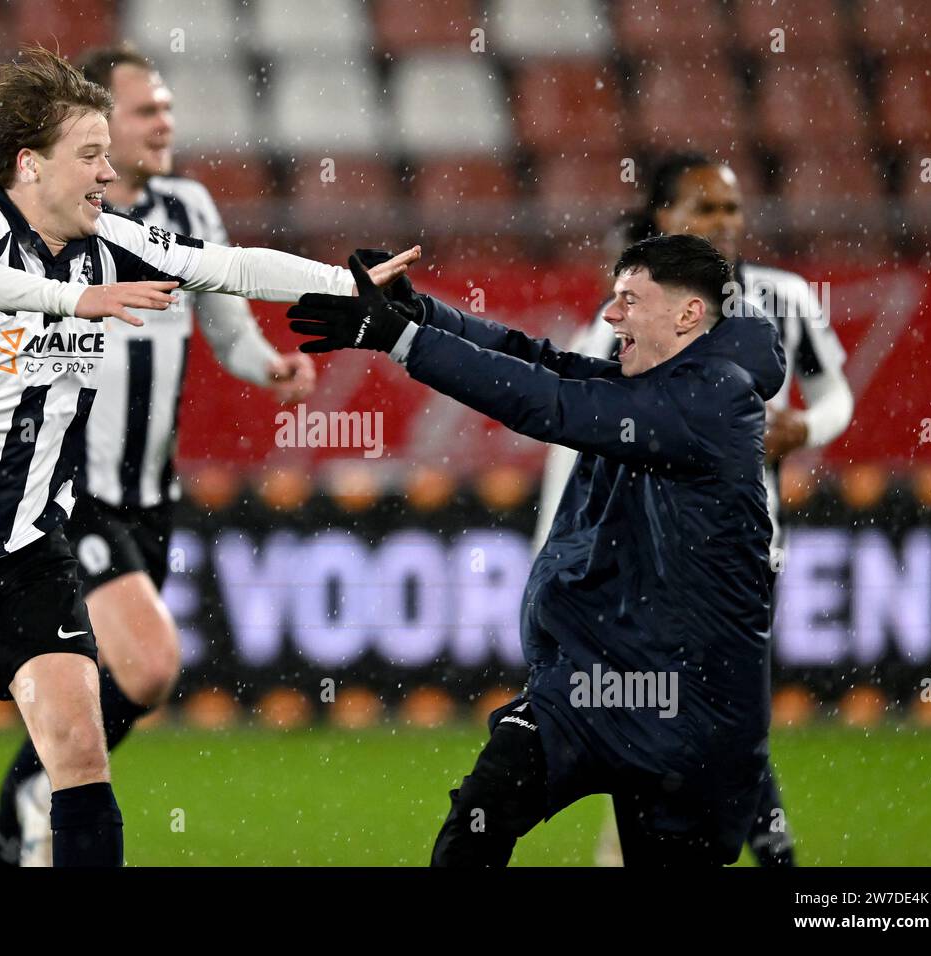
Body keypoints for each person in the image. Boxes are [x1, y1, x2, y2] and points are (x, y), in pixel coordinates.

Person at [0, 45, 418, 867]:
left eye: (110, 152)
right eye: (90, 155)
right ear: (29, 164)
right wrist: (70, 299)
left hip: (29, 548)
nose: (109, 172)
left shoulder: (111, 238)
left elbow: (228, 267)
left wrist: (340, 282)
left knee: (77, 752)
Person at [289, 235, 785, 866]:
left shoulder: (711, 399)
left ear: (688, 314)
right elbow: (538, 362)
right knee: (473, 831)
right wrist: (424, 316)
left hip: (690, 713)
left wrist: (399, 341)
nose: (611, 315)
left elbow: (545, 403)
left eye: (630, 300)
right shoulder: (657, 385)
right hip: (588, 687)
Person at [0, 44, 319, 867]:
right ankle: (32, 794)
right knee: (152, 663)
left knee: (93, 697)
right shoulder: (43, 224)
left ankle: (13, 827)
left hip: (148, 496)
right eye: (144, 110)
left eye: (167, 106)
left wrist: (268, 365)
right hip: (68, 492)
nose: (165, 120)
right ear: (93, 129)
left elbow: (227, 329)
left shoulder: (189, 209)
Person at [535, 154, 854, 866]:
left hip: (743, 546)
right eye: (703, 208)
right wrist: (554, 552)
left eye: (731, 209)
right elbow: (575, 440)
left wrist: (807, 428)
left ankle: (638, 844)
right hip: (650, 556)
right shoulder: (625, 315)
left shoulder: (784, 297)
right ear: (664, 220)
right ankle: (773, 854)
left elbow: (834, 393)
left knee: (691, 721)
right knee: (712, 714)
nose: (722, 223)